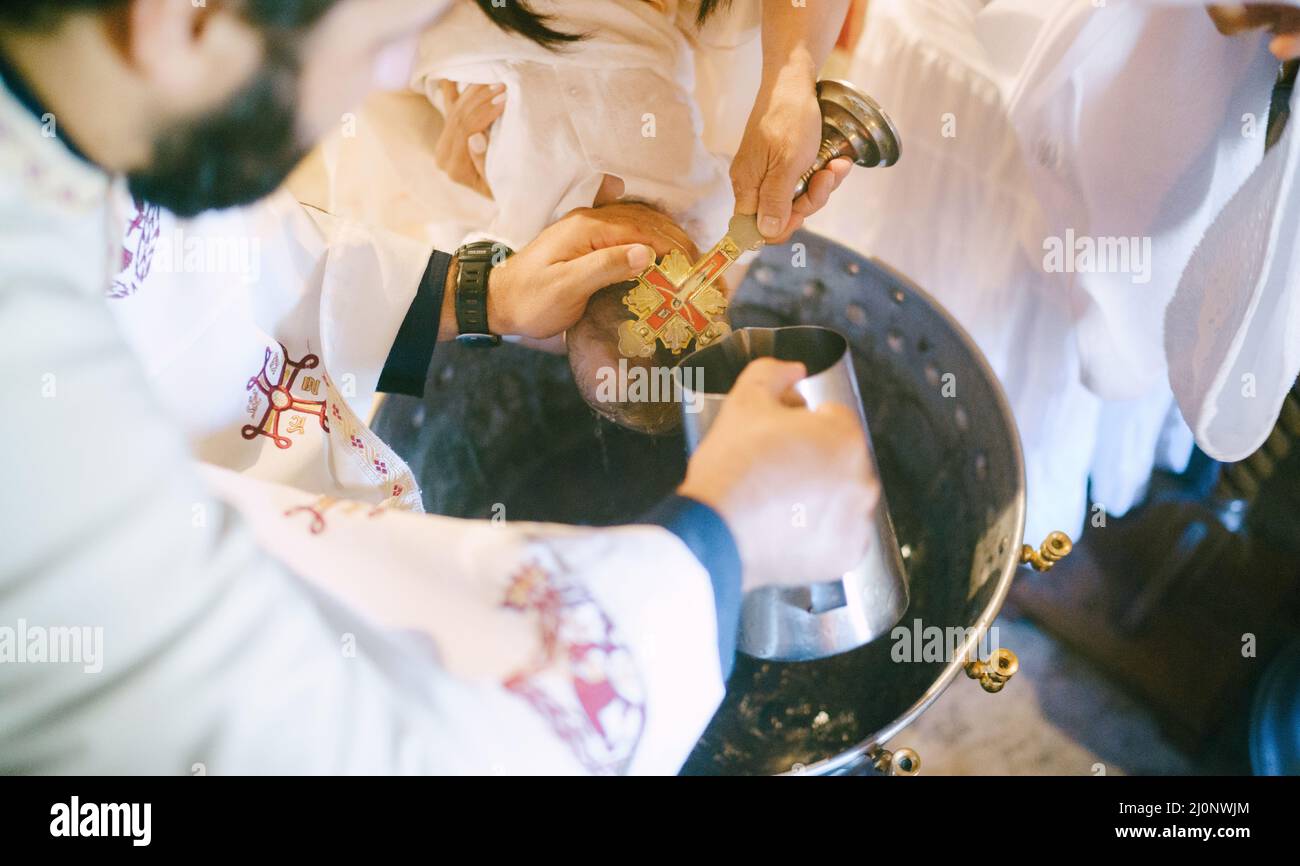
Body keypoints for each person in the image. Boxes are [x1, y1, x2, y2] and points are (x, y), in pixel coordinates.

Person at [0, 0, 872, 774]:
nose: (402, 78)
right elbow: (333, 746)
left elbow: (233, 273)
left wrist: (476, 292)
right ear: (182, 18)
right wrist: (715, 543)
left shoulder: (78, 131)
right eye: (389, 39)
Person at [811, 0, 1300, 542]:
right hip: (947, 38)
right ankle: (830, 470)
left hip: (1131, 88)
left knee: (1024, 353)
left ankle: (967, 532)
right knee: (880, 313)